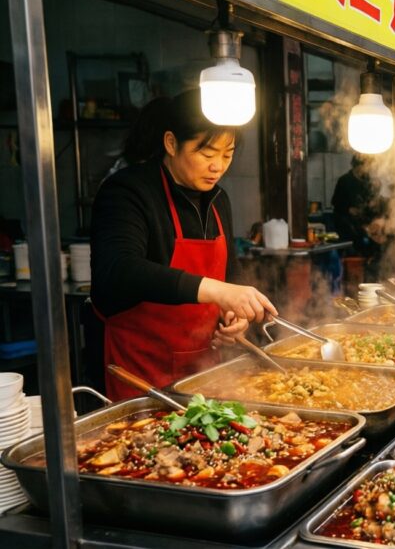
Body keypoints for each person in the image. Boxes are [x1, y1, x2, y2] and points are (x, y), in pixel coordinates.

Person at [91, 89, 277, 401]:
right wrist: (218, 291)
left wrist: (235, 314)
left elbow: (230, 272)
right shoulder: (128, 191)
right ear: (171, 143)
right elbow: (119, 269)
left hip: (204, 372)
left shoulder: (218, 199)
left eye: (227, 154)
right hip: (140, 374)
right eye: (207, 154)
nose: (218, 166)